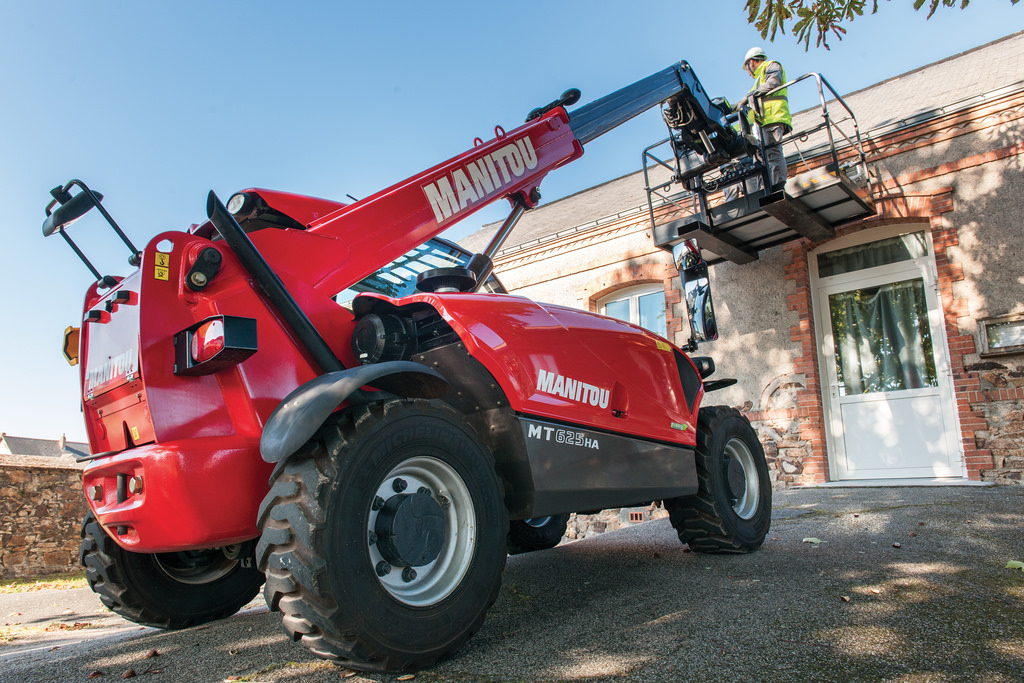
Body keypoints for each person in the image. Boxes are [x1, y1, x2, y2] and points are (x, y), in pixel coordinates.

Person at [723, 47, 793, 205]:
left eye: (747, 68)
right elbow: (746, 100)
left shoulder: (772, 66)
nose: (748, 73)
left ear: (752, 62)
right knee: (763, 158)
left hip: (773, 118)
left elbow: (773, 82)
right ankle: (768, 187)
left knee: (773, 154)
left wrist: (748, 98)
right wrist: (731, 107)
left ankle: (777, 188)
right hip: (764, 123)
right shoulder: (757, 82)